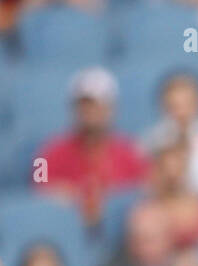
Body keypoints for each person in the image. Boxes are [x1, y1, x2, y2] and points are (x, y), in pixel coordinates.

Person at [34, 67, 149, 227]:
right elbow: (38, 183)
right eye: (84, 106)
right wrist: (57, 193)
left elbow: (145, 190)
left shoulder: (130, 152)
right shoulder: (52, 151)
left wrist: (113, 202)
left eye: (97, 106)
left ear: (111, 108)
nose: (90, 113)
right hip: (69, 228)